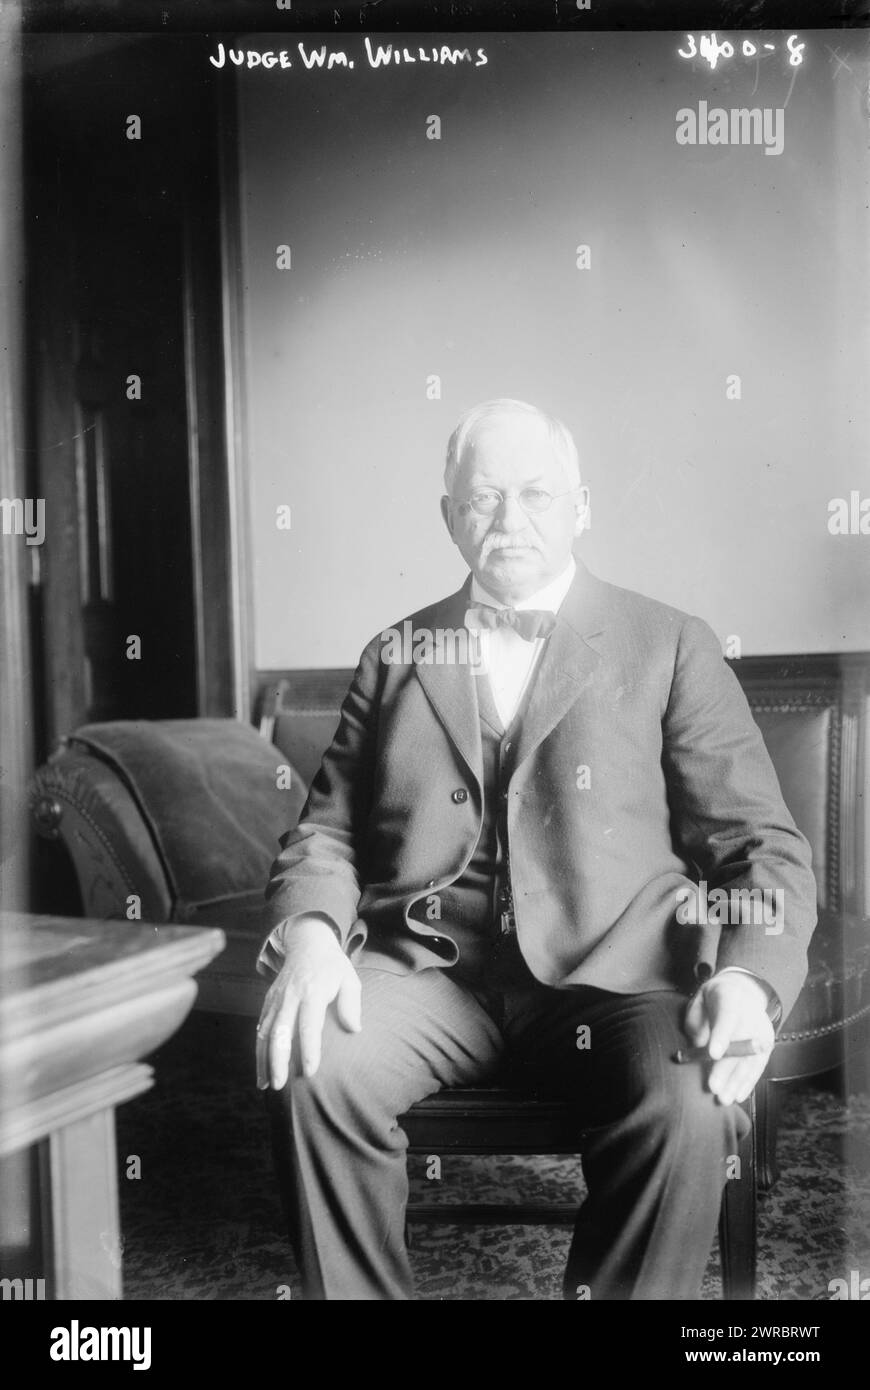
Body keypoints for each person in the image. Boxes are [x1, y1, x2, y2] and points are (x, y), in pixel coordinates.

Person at [255, 398, 817, 1300]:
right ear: (448, 516)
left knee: (688, 1097)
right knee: (315, 1057)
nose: (509, 521)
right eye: (482, 500)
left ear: (582, 505)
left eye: (536, 495)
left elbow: (763, 849)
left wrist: (749, 980)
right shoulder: (395, 653)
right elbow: (324, 833)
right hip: (431, 978)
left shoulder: (670, 644)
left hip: (618, 979)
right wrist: (313, 938)